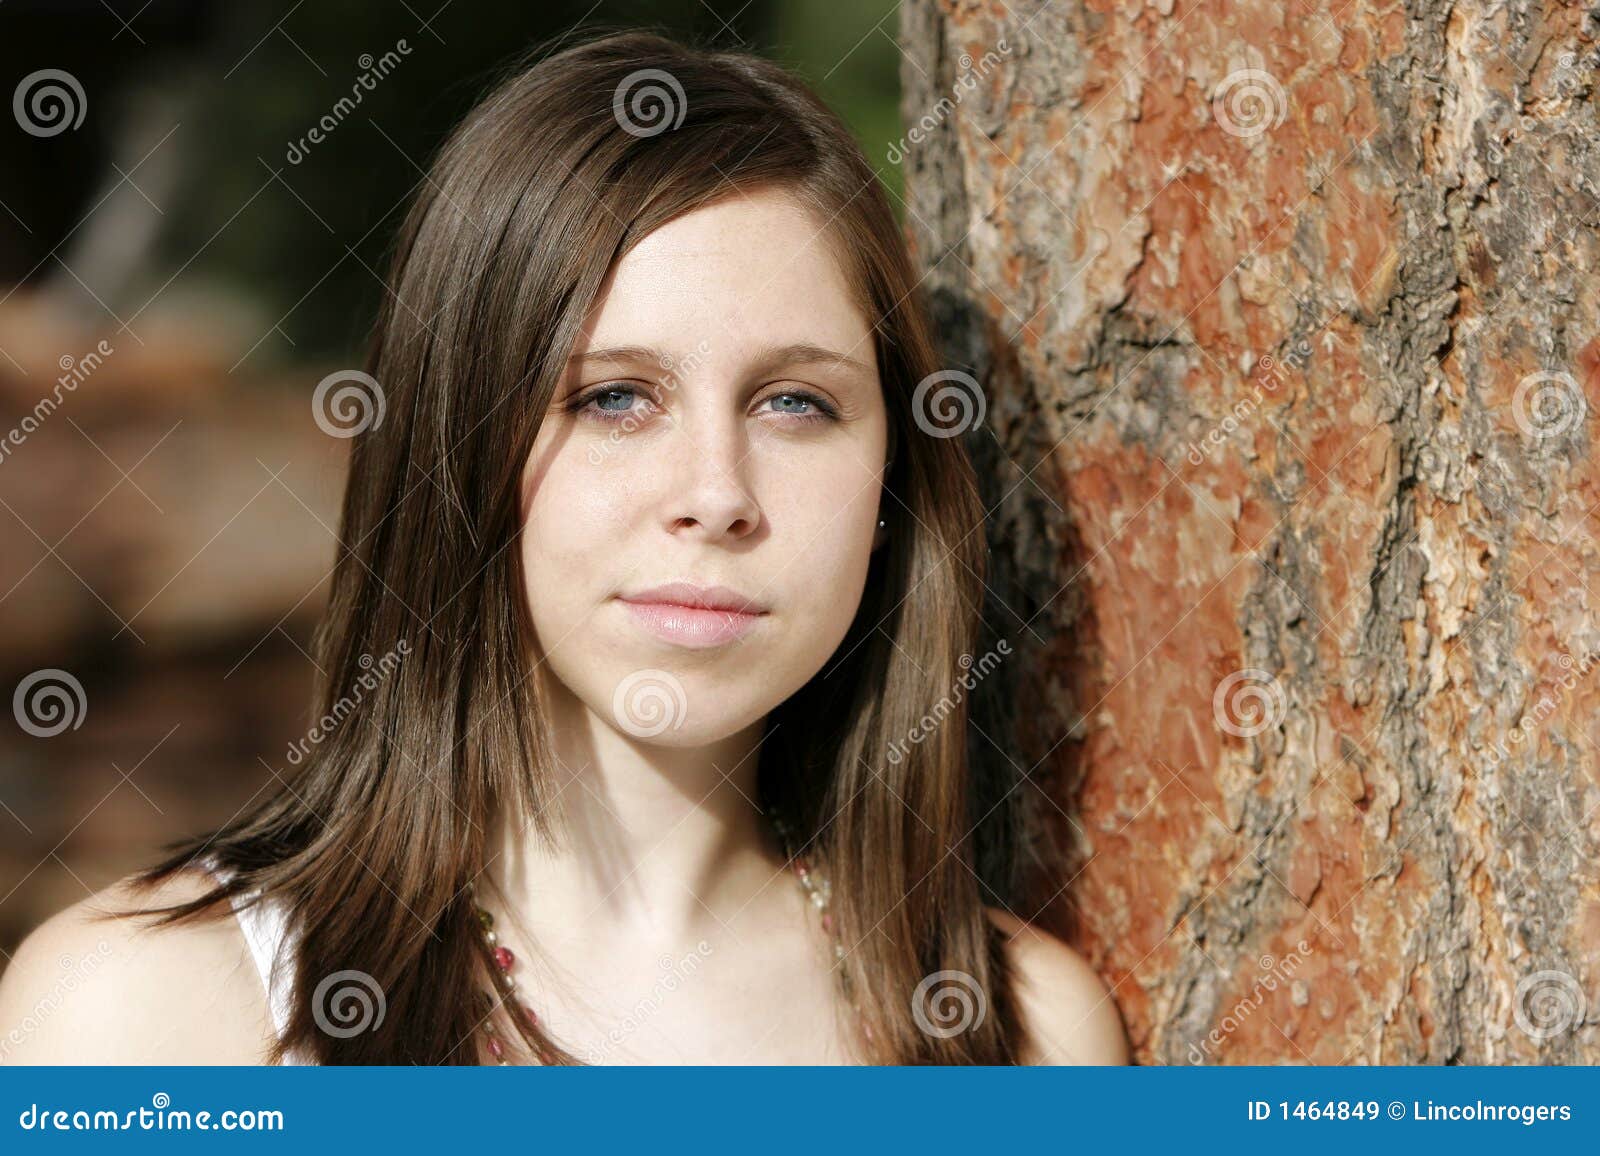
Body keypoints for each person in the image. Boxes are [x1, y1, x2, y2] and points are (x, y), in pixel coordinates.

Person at [0, 28, 1128, 1067]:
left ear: (894, 480)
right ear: (458, 447)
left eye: (793, 403)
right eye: (615, 397)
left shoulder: (1027, 1042)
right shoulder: (145, 1015)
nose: (715, 494)